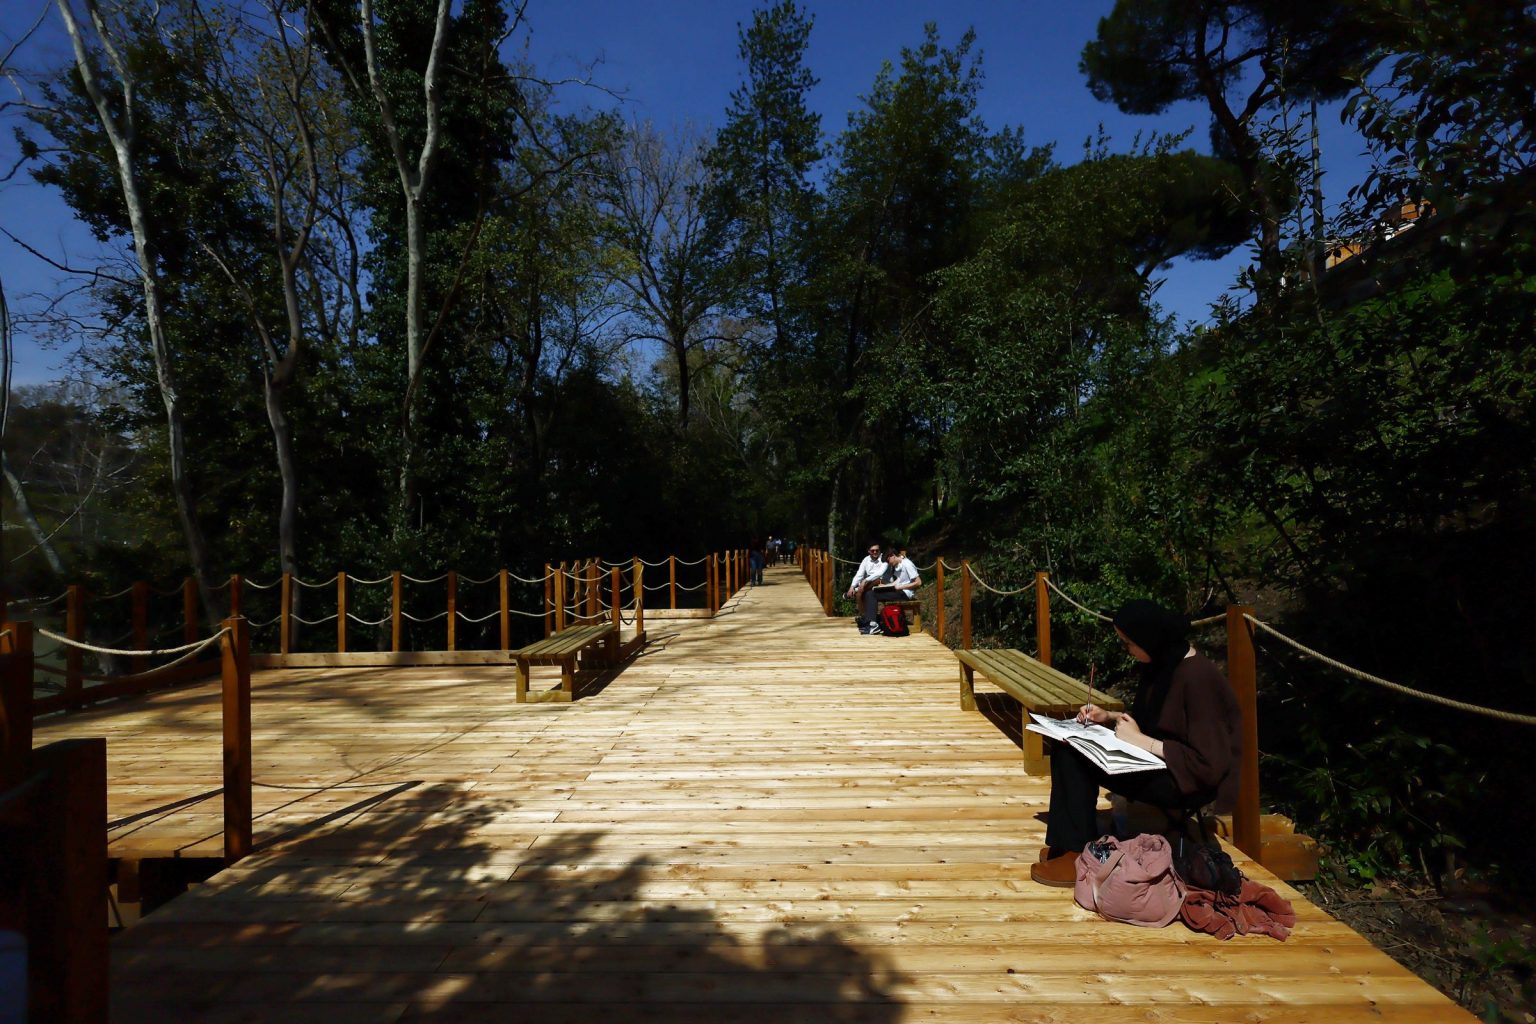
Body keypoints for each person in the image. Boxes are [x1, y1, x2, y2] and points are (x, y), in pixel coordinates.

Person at [1030, 599, 1242, 887]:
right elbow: (1157, 721)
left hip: (1184, 781)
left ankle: (1079, 855)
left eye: (1128, 643)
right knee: (1069, 747)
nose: (1126, 650)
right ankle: (1068, 844)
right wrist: (1108, 716)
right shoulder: (1163, 664)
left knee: (1076, 761)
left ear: (1149, 639)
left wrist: (1144, 742)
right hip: (1159, 761)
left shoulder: (1198, 678)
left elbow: (1209, 764)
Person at [860, 549, 921, 635]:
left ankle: (873, 625)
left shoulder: (907, 564)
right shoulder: (899, 565)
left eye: (888, 561)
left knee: (871, 594)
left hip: (905, 594)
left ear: (892, 555)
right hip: (899, 591)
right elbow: (898, 582)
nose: (889, 564)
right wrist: (883, 587)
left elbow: (918, 582)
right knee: (871, 591)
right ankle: (870, 622)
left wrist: (901, 587)